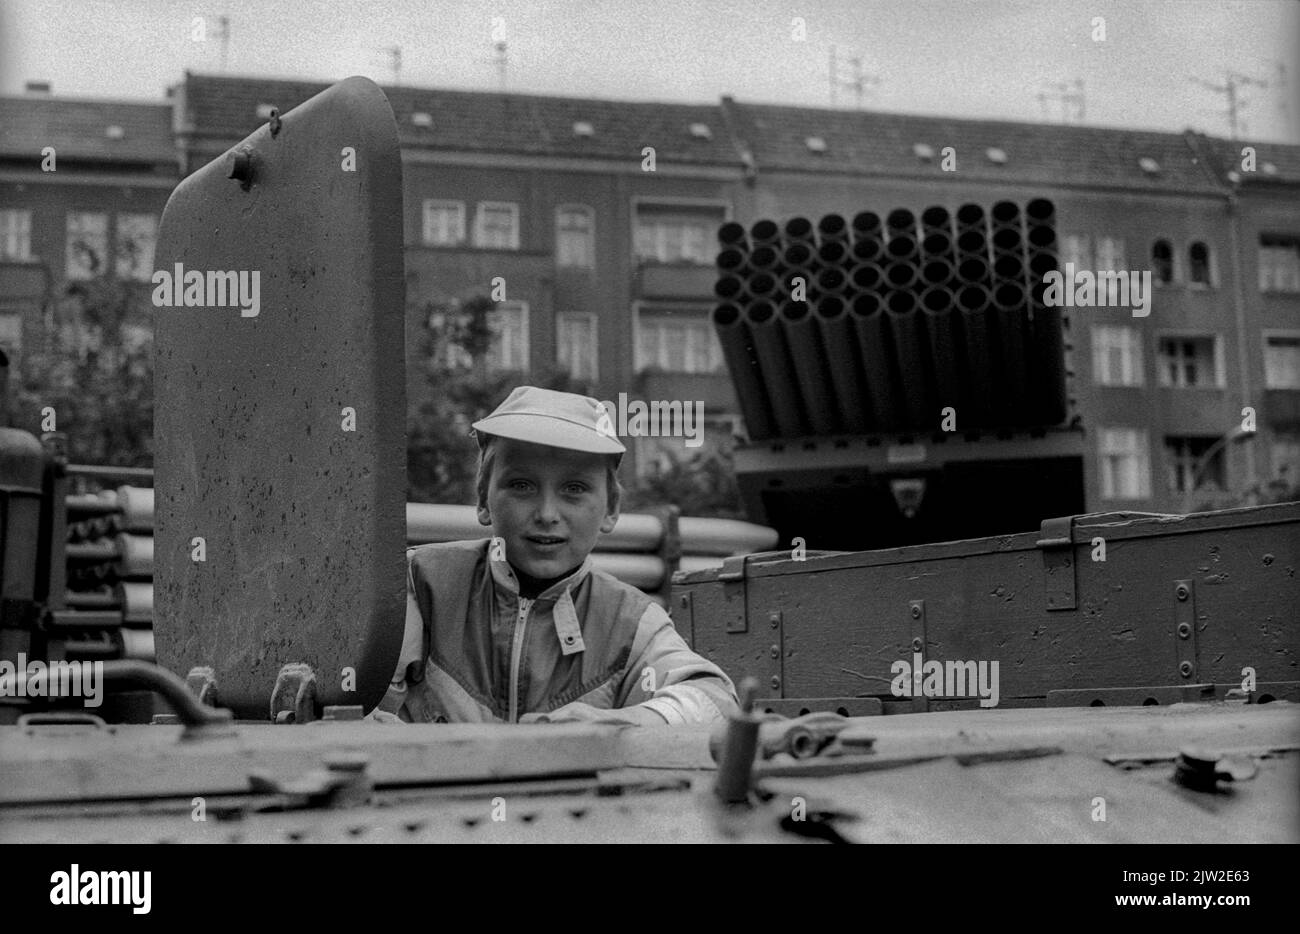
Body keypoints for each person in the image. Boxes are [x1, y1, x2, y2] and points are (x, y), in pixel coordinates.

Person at [374, 386, 739, 725]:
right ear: (483, 497)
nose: (547, 513)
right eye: (521, 485)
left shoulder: (633, 623)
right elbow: (352, 713)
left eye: (574, 489)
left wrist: (608, 727)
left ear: (611, 508)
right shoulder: (420, 585)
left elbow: (713, 700)